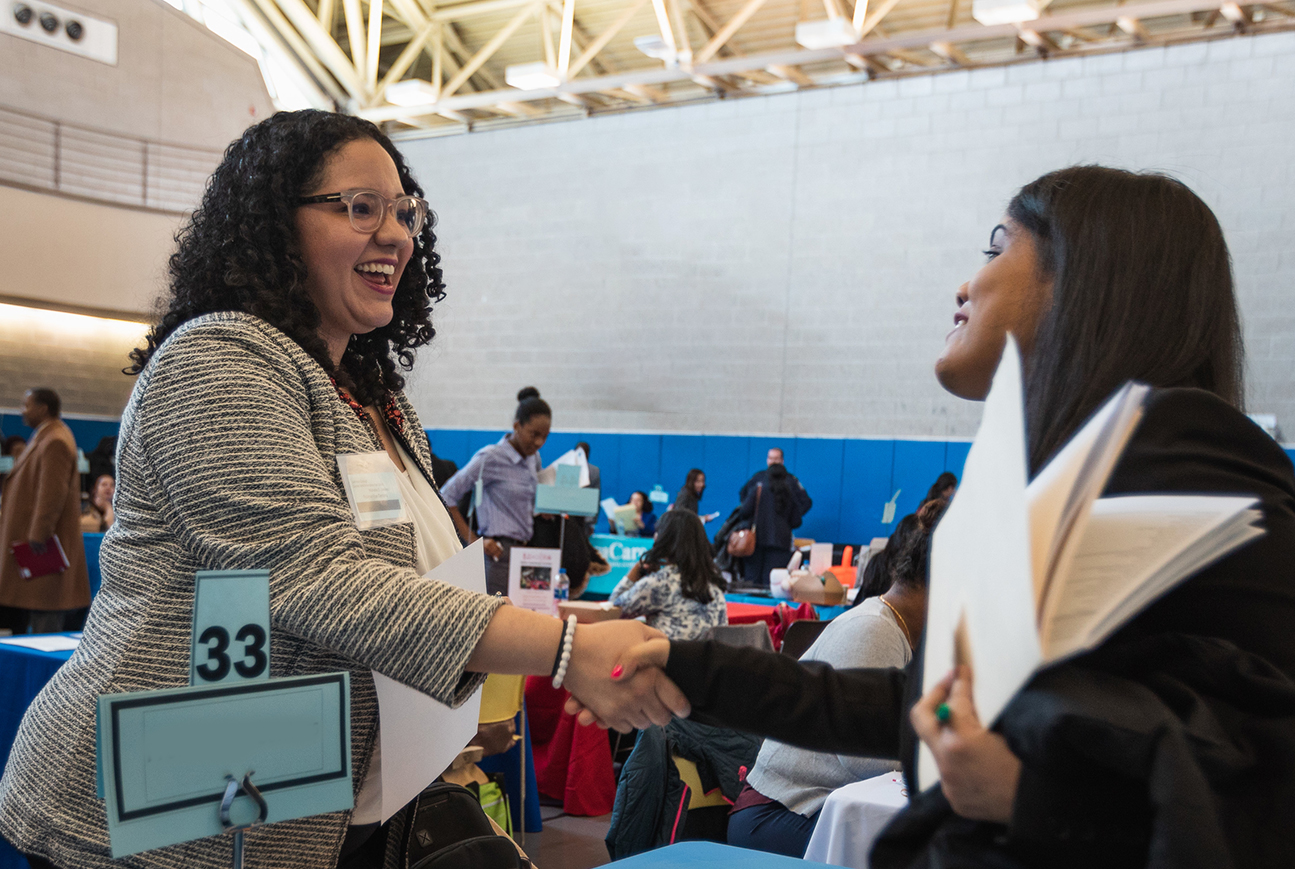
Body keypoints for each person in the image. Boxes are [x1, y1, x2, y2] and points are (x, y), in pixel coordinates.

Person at [0, 111, 684, 869]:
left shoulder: (376, 400)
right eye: (359, 206)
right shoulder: (217, 362)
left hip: (301, 803)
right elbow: (312, 578)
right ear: (272, 225)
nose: (393, 233)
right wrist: (563, 651)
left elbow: (401, 583)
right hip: (155, 817)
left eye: (404, 210)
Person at [586, 166, 1295, 869]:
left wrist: (1035, 795)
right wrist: (688, 670)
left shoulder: (1176, 452)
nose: (964, 284)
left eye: (995, 247)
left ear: (1084, 282)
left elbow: (1251, 777)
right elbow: (925, 709)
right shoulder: (1077, 468)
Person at [729, 498, 947, 858]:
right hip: (780, 814)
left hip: (816, 807)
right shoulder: (874, 630)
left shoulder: (900, 630)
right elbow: (873, 763)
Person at [441, 387, 550, 596]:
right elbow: (446, 495)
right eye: (534, 435)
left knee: (525, 621)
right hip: (497, 555)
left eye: (545, 437)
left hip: (528, 552)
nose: (539, 443)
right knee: (495, 622)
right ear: (517, 426)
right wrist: (474, 542)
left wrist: (544, 508)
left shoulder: (533, 459)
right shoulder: (490, 457)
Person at [0, 388, 90, 635]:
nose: (22, 411)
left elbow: (51, 493)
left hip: (41, 546)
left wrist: (39, 534)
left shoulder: (56, 440)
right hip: (34, 543)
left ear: (42, 408)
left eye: (25, 405)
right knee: (36, 611)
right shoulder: (46, 436)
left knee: (46, 617)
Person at [609, 509, 728, 641]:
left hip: (669, 660)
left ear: (663, 538)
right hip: (707, 660)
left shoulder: (660, 582)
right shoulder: (714, 583)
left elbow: (612, 611)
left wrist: (637, 570)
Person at [735, 462, 812, 589]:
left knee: (752, 581)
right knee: (772, 583)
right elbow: (796, 521)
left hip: (756, 542)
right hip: (781, 544)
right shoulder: (789, 493)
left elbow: (744, 511)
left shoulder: (758, 489)